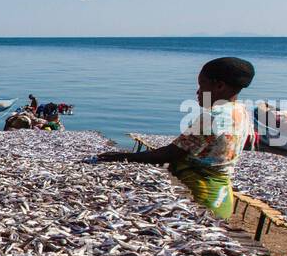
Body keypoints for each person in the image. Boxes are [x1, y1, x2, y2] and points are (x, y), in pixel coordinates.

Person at [94, 57, 255, 218]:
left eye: (202, 85)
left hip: (202, 195)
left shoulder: (212, 118)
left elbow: (171, 153)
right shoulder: (241, 111)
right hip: (222, 195)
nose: (198, 92)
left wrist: (123, 157)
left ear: (219, 86)